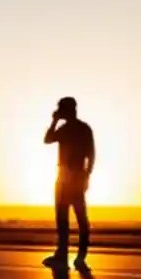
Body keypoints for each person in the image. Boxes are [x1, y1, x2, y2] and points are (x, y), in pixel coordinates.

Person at [42, 96, 95, 269]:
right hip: (65, 176)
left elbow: (91, 154)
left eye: (61, 109)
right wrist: (54, 121)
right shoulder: (66, 128)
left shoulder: (82, 129)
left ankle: (78, 255)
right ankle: (64, 255)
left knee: (79, 217)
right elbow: (48, 139)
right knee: (63, 218)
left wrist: (86, 175)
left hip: (74, 177)